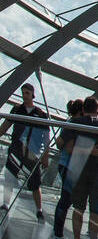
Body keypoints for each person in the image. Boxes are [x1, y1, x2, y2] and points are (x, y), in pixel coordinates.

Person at [66, 96, 98, 239]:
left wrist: (85, 150)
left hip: (79, 170)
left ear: (83, 109)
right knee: (96, 210)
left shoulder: (75, 124)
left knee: (78, 207)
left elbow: (67, 147)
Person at [0, 83, 49, 221]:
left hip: (32, 152)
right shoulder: (17, 110)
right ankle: (5, 203)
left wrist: (45, 156)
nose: (25, 96)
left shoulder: (40, 114)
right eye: (23, 93)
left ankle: (39, 209)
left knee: (35, 182)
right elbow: (6, 125)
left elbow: (46, 137)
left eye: (27, 93)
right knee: (10, 176)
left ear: (32, 95)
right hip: (16, 148)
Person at [53, 98, 84, 239]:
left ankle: (57, 233)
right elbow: (69, 148)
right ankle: (57, 233)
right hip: (70, 166)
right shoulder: (75, 125)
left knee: (65, 200)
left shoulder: (69, 123)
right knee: (65, 201)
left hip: (65, 164)